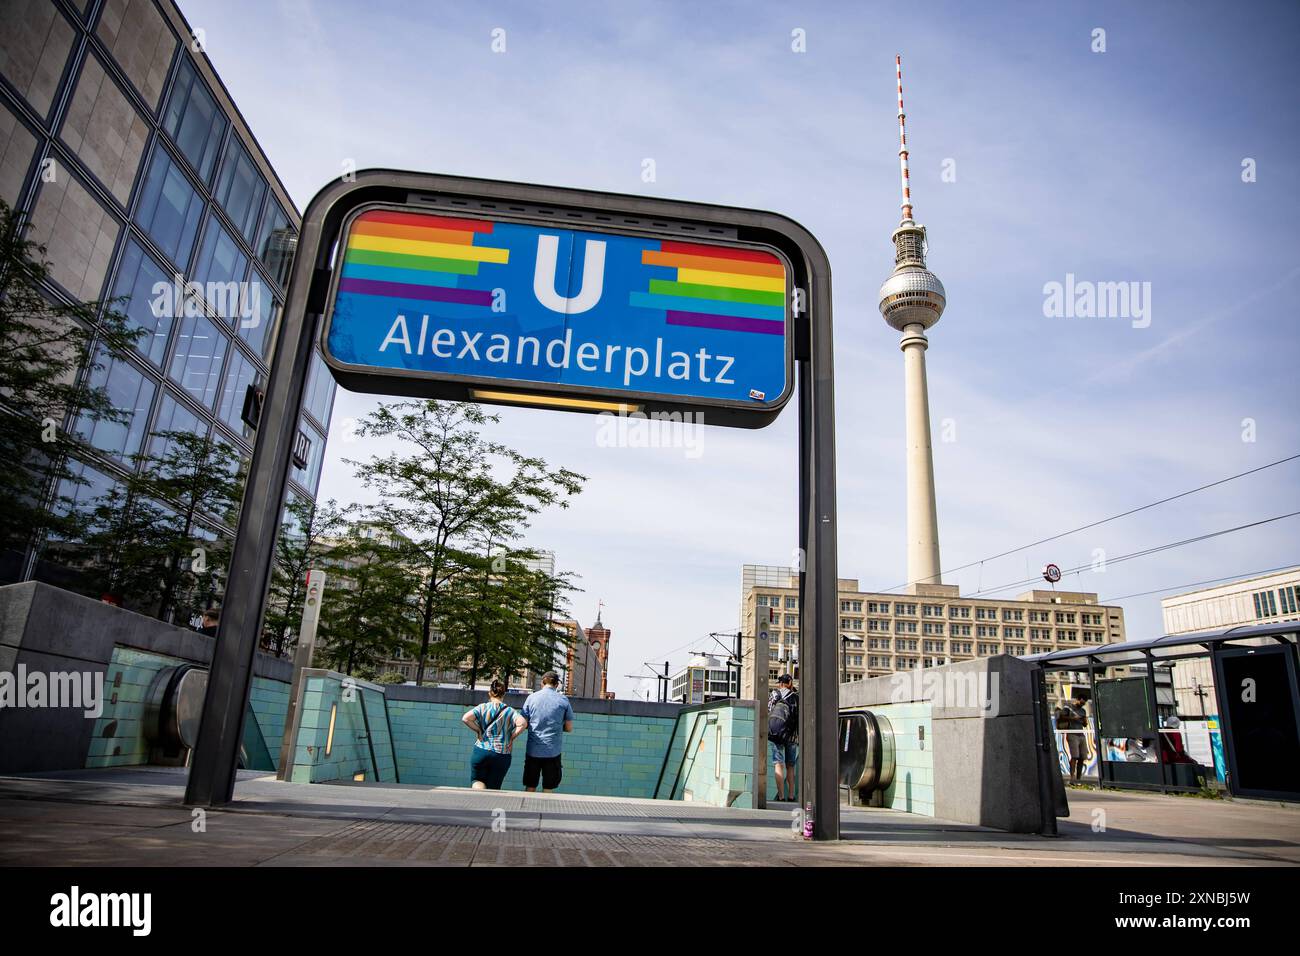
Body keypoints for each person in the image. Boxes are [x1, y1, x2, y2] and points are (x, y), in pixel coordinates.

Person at [461, 679, 528, 790]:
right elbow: (523, 723)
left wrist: (478, 730)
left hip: (481, 750)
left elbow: (466, 718)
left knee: (478, 781)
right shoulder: (510, 711)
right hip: (501, 753)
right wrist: (511, 737)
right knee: (493, 787)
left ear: (490, 693)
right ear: (504, 694)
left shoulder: (482, 707)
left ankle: (476, 804)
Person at [520, 671, 575, 793]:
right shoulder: (563, 700)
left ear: (542, 682)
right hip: (553, 751)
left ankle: (526, 810)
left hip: (533, 750)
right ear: (556, 685)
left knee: (530, 786)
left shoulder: (531, 698)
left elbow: (522, 723)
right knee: (548, 788)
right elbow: (569, 728)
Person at [767, 673, 799, 802]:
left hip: (776, 734)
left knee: (778, 764)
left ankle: (780, 796)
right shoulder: (796, 697)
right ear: (790, 683)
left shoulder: (774, 695)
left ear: (780, 684)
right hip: (791, 736)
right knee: (790, 766)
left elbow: (769, 710)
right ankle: (791, 795)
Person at [1055, 696, 1090, 782]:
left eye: (1084, 703)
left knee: (1082, 757)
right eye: (1081, 703)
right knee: (1074, 756)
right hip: (1072, 733)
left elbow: (1085, 725)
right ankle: (1072, 777)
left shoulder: (1083, 711)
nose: (1082, 705)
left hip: (1081, 734)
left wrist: (1085, 721)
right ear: (1077, 700)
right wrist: (1072, 718)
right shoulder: (1068, 707)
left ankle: (1078, 778)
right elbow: (1060, 717)